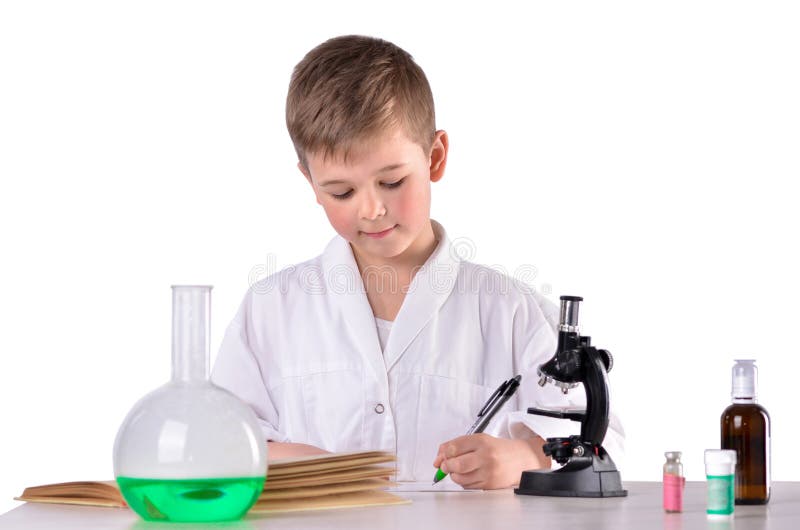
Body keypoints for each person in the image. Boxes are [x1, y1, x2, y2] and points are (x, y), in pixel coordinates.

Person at [211, 34, 624, 490]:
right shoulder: (269, 311)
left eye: (392, 181)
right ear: (310, 182)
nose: (371, 209)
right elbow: (218, 443)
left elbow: (606, 446)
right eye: (341, 192)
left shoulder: (512, 313)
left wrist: (523, 457)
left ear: (435, 157)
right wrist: (312, 467)